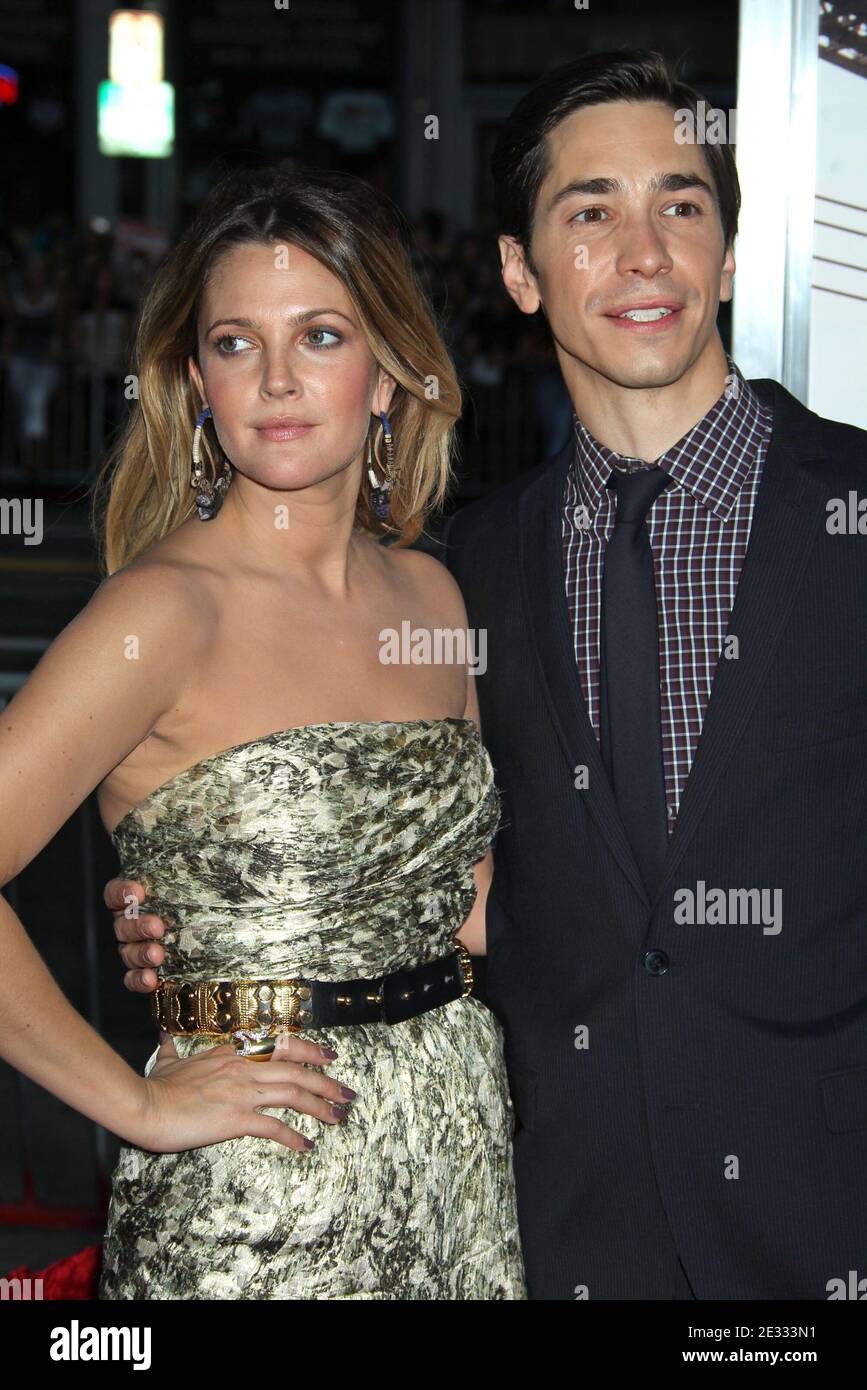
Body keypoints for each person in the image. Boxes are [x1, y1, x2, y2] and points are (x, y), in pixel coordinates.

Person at [114, 48, 867, 1301]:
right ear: (519, 270)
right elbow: (373, 846)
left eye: (681, 205)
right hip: (552, 1232)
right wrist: (198, 918)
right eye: (591, 212)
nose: (643, 252)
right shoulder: (459, 575)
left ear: (730, 251)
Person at [2, 164, 526, 1300]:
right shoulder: (161, 613)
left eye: (322, 336)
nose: (279, 380)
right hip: (254, 1193)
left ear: (388, 374)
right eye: (237, 343)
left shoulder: (435, 600)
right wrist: (134, 1101)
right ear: (196, 381)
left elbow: (479, 911)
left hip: (455, 1168)